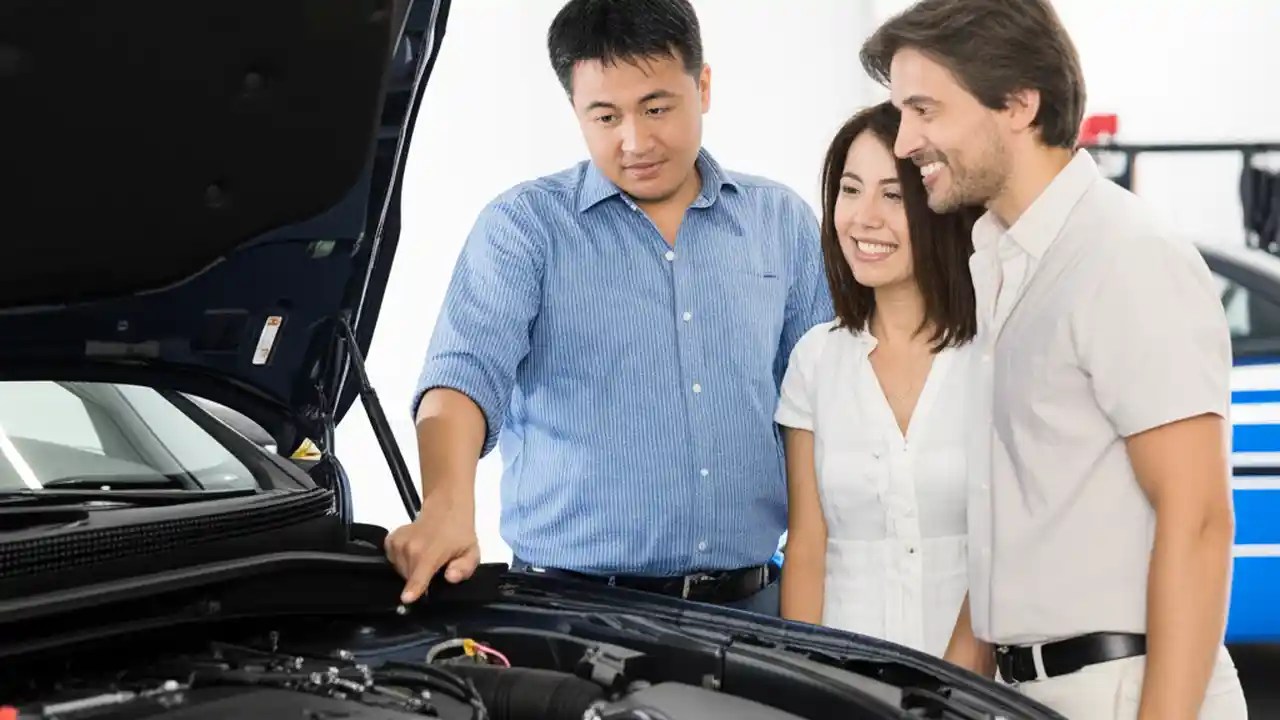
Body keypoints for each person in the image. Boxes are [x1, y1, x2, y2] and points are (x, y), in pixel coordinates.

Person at [860, 0, 1248, 717]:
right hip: (1020, 692)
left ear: (1017, 103)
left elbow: (1196, 520)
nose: (905, 140)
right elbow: (1022, 524)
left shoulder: (1124, 256)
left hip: (1124, 691)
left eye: (924, 110)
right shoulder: (1000, 261)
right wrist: (948, 691)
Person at [383, 0, 832, 616]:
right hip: (570, 611)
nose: (635, 141)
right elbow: (462, 376)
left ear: (702, 86)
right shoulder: (526, 227)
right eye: (605, 116)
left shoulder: (781, 221)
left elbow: (827, 402)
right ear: (575, 111)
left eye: (656, 108)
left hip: (753, 606)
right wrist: (445, 503)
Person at [775, 101, 982, 658]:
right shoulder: (815, 361)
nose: (863, 217)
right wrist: (804, 682)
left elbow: (1004, 551)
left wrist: (955, 691)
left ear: (937, 203)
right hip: (847, 686)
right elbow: (808, 547)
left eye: (892, 195)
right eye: (849, 189)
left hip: (971, 692)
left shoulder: (992, 355)